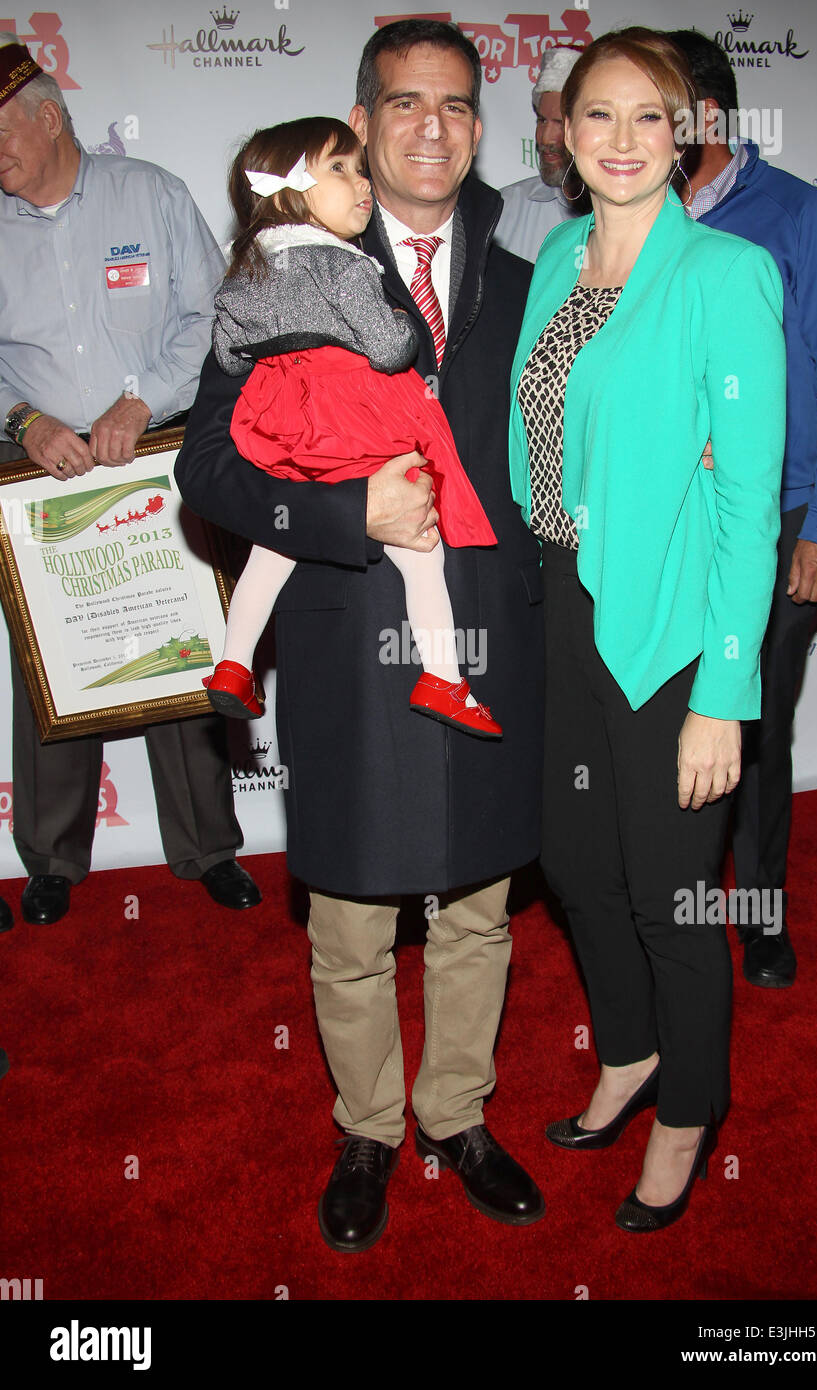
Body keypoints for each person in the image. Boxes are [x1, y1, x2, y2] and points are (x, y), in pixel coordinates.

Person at [176, 19, 545, 1252]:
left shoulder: (525, 265)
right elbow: (211, 469)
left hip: (481, 630)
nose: (430, 126)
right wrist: (341, 512)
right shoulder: (288, 266)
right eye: (402, 104)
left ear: (479, 124)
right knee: (347, 924)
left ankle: (457, 1112)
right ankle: (369, 1126)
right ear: (361, 120)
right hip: (340, 632)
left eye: (453, 104)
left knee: (479, 908)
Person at [510, 27, 786, 1230]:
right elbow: (536, 429)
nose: (621, 141)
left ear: (684, 136)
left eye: (646, 118)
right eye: (596, 117)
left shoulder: (724, 274)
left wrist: (724, 690)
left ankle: (690, 1109)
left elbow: (745, 496)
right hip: (555, 607)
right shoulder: (554, 249)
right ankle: (624, 1050)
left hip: (668, 625)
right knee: (573, 865)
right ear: (563, 138)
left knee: (674, 891)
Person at [0, 35, 261, 923]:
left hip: (160, 455)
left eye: (1, 126)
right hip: (36, 473)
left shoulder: (148, 193)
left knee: (183, 649)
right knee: (52, 662)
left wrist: (138, 401)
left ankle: (207, 846)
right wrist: (23, 421)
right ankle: (51, 860)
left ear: (49, 117)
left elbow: (212, 313)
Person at [666, 28, 817, 989]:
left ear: (704, 113)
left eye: (657, 104)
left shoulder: (795, 213)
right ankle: (678, 900)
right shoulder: (640, 216)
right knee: (670, 711)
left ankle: (759, 913)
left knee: (752, 720)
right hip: (668, 517)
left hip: (779, 515)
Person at [204, 117, 501, 739]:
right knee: (423, 553)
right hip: (352, 423)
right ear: (289, 189)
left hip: (280, 427)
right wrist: (397, 320)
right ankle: (445, 677)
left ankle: (233, 663)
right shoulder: (342, 264)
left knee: (273, 547)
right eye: (339, 169)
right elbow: (393, 350)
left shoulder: (247, 268)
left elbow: (230, 354)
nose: (361, 182)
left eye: (360, 168)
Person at [495, 45, 583, 262]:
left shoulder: (629, 215)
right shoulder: (503, 208)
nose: (545, 138)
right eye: (542, 120)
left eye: (560, 123)